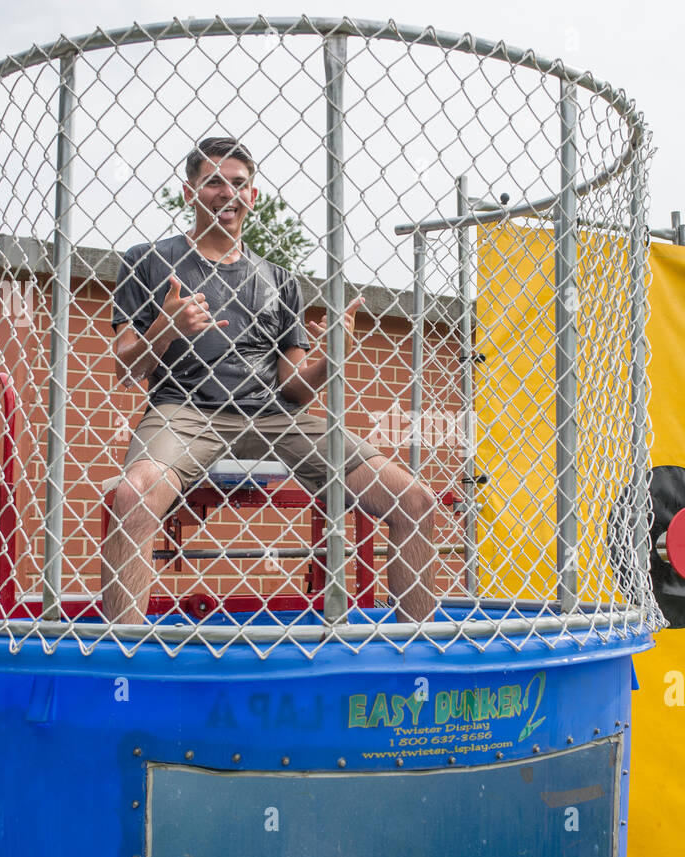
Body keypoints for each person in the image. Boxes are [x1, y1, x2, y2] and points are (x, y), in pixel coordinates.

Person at [102, 136, 436, 625]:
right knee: (132, 496)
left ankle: (420, 662)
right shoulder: (149, 260)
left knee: (415, 500)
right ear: (189, 192)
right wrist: (166, 328)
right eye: (213, 181)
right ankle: (121, 672)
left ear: (253, 197)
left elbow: (294, 388)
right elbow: (125, 370)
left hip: (274, 415)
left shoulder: (280, 280)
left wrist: (331, 361)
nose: (227, 193)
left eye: (239, 184)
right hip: (186, 410)